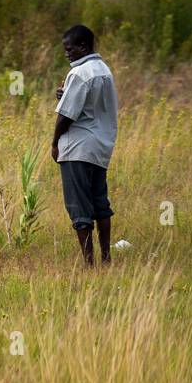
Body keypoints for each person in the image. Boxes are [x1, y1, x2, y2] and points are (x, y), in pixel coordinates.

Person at [51, 25, 118, 267]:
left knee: (79, 207)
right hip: (100, 147)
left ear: (83, 47)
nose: (67, 54)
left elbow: (67, 115)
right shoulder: (104, 70)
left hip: (78, 148)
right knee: (100, 204)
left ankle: (89, 264)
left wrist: (55, 142)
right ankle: (106, 258)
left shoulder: (79, 73)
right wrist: (66, 95)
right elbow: (91, 104)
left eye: (70, 49)